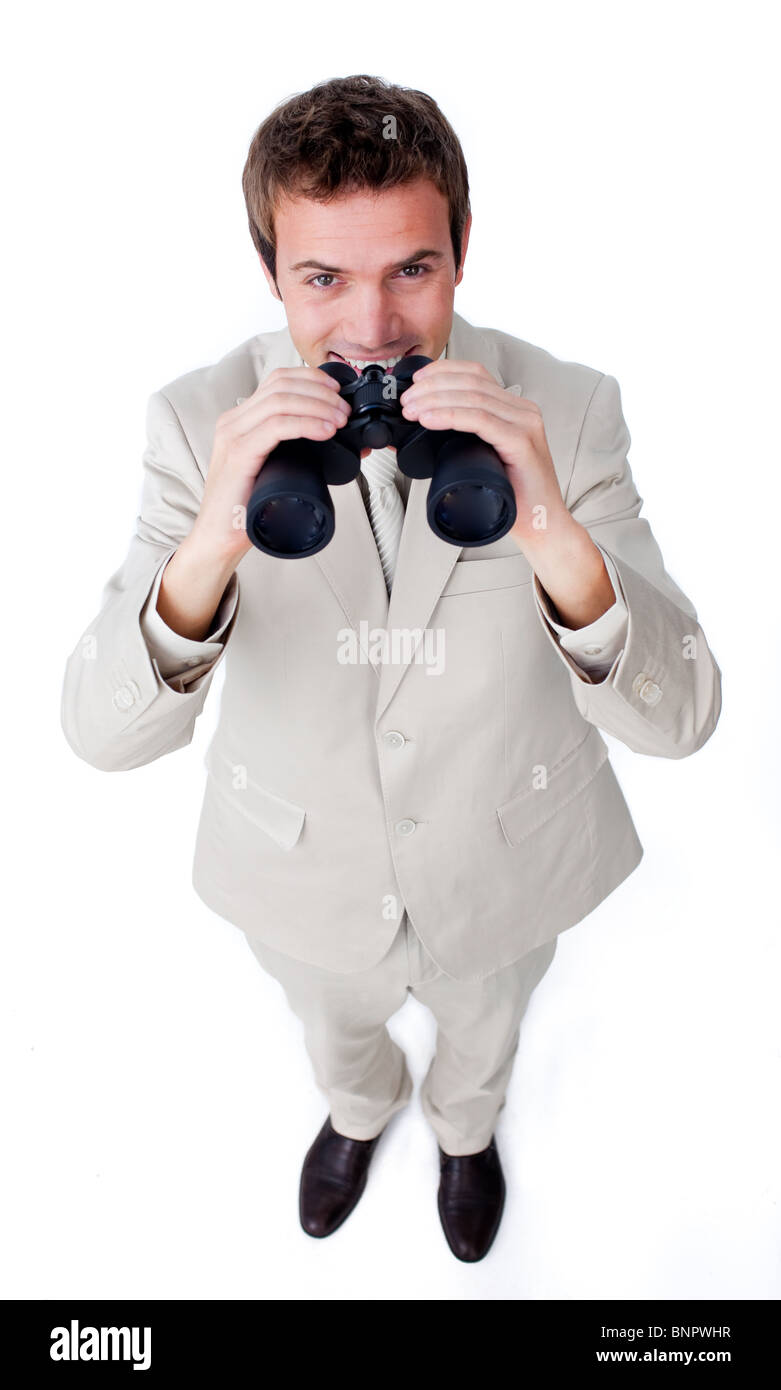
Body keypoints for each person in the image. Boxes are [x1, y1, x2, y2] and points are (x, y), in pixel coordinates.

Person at [60, 74, 723, 1263]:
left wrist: (549, 528)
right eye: (323, 278)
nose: (370, 327)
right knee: (333, 1027)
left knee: (488, 1023)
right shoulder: (194, 421)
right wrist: (212, 534)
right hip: (301, 869)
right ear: (271, 273)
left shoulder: (564, 410)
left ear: (463, 249)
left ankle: (465, 1129)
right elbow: (103, 737)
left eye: (409, 268)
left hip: (506, 855)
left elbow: (683, 721)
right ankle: (359, 1113)